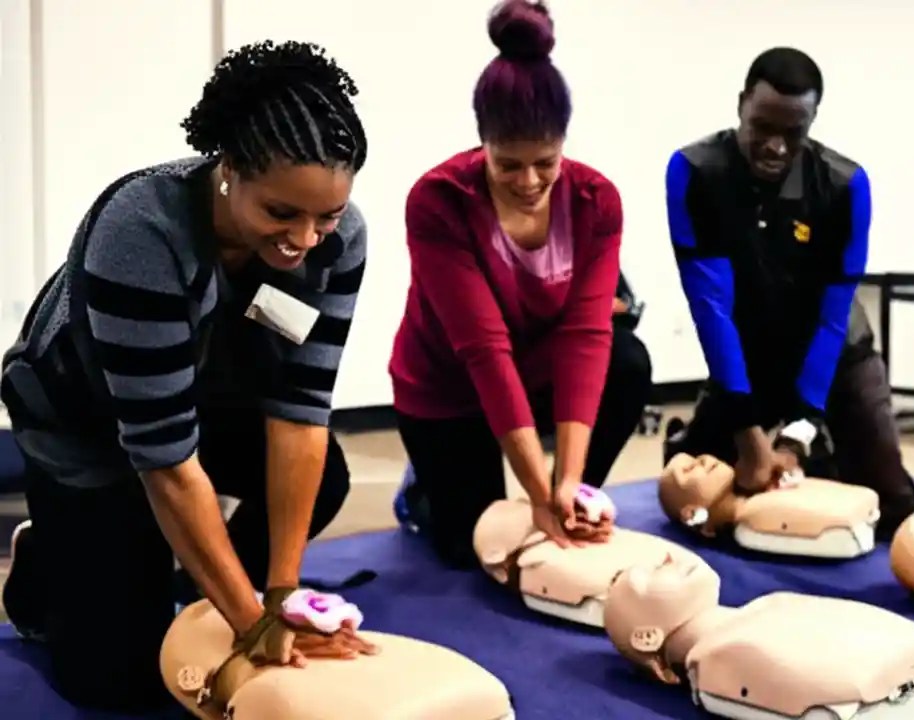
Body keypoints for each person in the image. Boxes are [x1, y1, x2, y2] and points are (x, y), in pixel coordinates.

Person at [0, 40, 376, 711]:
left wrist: (280, 596)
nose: (305, 238)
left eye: (327, 215)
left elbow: (299, 415)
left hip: (206, 403)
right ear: (228, 169)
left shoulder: (338, 240)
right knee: (118, 681)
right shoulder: (141, 229)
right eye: (281, 213)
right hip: (85, 427)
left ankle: (196, 572)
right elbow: (165, 459)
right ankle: (49, 561)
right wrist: (251, 624)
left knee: (328, 479)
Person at [389, 0, 645, 568]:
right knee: (469, 549)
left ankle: (566, 497)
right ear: (482, 143)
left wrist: (566, 484)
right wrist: (532, 488)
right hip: (448, 384)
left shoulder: (595, 201)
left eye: (545, 163)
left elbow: (585, 334)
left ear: (563, 145)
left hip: (536, 369)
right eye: (507, 165)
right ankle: (423, 490)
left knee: (627, 361)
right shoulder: (438, 202)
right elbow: (483, 348)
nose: (528, 182)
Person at [661, 47, 914, 540]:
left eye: (793, 133)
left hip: (835, 350)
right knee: (691, 494)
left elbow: (834, 314)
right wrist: (746, 432)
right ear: (741, 105)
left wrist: (797, 432)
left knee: (894, 508)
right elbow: (711, 307)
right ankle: (692, 437)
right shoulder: (696, 173)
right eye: (762, 128)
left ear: (813, 121)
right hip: (745, 349)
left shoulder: (846, 186)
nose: (776, 147)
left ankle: (819, 451)